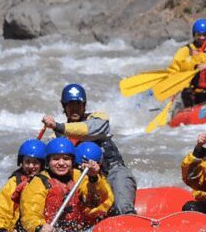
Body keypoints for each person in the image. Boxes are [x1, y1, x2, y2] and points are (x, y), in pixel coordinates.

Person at [42, 83, 137, 216]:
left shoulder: (99, 119)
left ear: (84, 106)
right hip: (86, 182)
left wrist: (58, 126)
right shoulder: (56, 138)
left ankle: (129, 217)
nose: (74, 109)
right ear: (64, 107)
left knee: (123, 206)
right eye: (70, 105)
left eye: (78, 105)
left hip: (112, 173)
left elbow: (86, 130)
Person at [20, 138, 113, 232]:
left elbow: (96, 200)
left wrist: (94, 178)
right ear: (48, 162)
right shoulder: (39, 182)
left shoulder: (80, 176)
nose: (61, 163)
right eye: (55, 159)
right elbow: (29, 214)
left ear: (72, 161)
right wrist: (39, 227)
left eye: (66, 159)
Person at [0, 139, 46, 232]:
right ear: (21, 163)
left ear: (43, 164)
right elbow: (0, 212)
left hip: (45, 229)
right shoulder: (13, 183)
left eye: (35, 163)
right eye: (27, 162)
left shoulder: (49, 180)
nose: (31, 166)